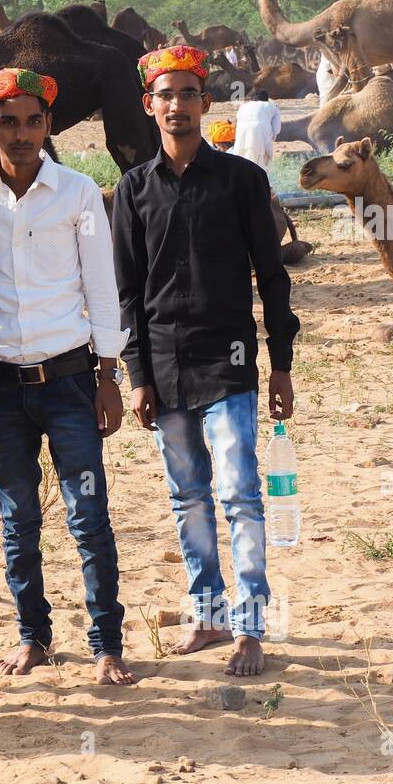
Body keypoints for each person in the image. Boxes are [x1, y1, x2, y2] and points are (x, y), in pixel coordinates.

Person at [112, 45, 300, 678]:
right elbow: (127, 292)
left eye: (187, 94)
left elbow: (271, 277)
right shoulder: (134, 189)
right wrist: (136, 374)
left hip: (231, 363)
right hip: (164, 368)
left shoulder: (242, 180)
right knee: (187, 496)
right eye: (164, 95)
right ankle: (209, 613)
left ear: (205, 102)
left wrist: (281, 364)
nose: (176, 105)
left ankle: (250, 626)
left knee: (241, 495)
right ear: (149, 105)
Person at [0, 69, 134, 685]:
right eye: (8, 121)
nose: (23, 133)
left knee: (89, 514)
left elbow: (101, 287)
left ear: (49, 125)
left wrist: (108, 373)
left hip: (70, 381)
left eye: (34, 120)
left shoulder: (80, 192)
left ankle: (106, 645)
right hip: (2, 386)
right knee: (19, 518)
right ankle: (33, 636)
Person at [230, 90, 283, 170]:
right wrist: (270, 137)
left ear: (252, 99)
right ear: (267, 99)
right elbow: (277, 129)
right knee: (261, 164)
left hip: (242, 135)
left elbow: (238, 123)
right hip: (260, 132)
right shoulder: (272, 107)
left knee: (241, 161)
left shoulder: (243, 106)